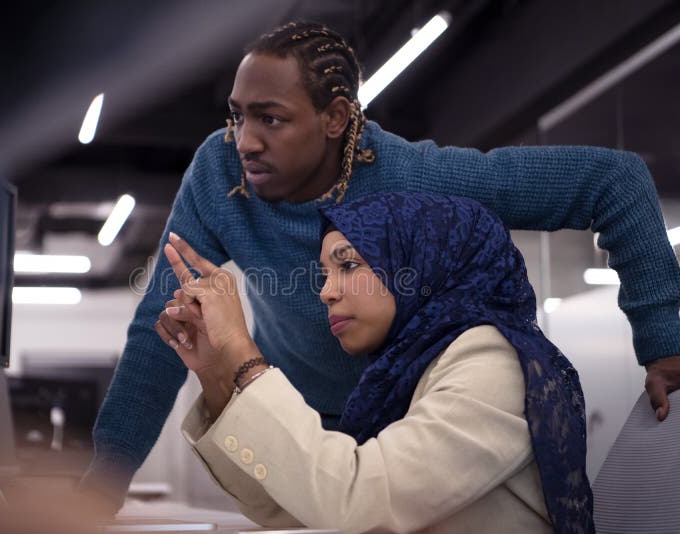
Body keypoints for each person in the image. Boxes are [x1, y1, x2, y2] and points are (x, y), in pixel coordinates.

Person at [78, 21, 680, 511]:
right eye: (237, 116)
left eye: (271, 118)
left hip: (411, 418)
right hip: (298, 416)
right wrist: (99, 492)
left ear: (336, 119)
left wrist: (664, 340)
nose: (244, 141)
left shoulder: (415, 180)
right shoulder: (220, 173)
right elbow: (160, 330)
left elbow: (614, 181)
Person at [155, 191, 593, 533]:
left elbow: (355, 501)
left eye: (348, 265)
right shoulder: (402, 373)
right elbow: (295, 508)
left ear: (422, 262)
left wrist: (241, 350)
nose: (326, 291)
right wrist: (215, 371)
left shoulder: (493, 359)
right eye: (326, 274)